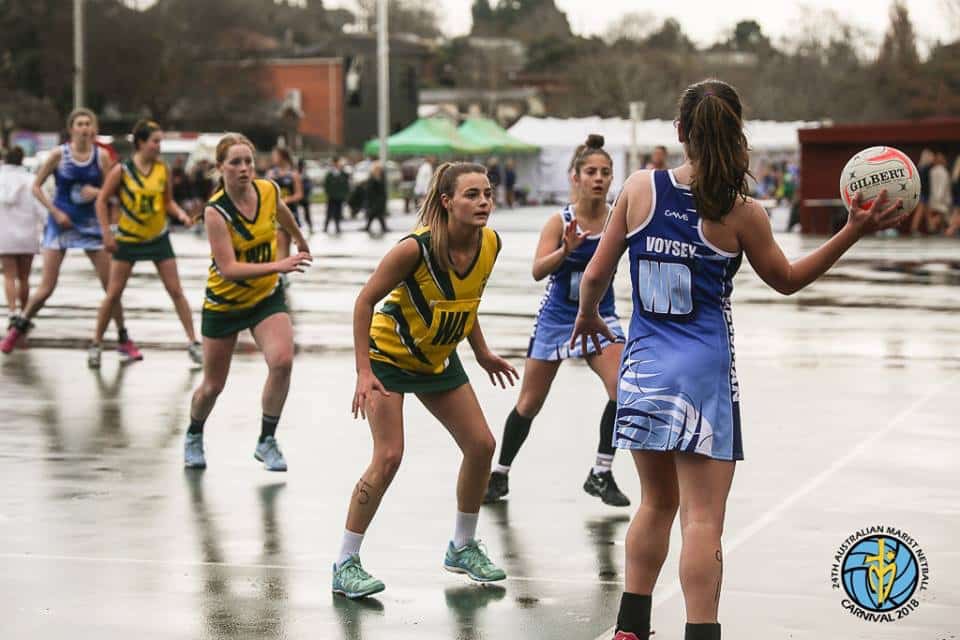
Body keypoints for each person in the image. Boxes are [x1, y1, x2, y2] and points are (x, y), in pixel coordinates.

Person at [570, 79, 906, 640]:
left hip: (645, 369)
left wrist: (586, 317)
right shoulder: (740, 211)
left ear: (680, 132)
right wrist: (851, 230)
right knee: (701, 520)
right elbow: (787, 280)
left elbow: (596, 274)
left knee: (654, 504)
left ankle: (630, 628)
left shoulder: (637, 189)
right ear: (736, 133)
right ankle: (701, 633)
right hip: (703, 376)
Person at [331, 162, 517, 599]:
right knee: (390, 455)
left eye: (487, 193)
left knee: (482, 445)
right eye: (472, 194)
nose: (484, 202)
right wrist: (363, 370)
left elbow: (462, 303)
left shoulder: (490, 243)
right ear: (447, 201)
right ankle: (345, 562)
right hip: (389, 358)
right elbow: (364, 302)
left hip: (437, 358)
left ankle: (462, 546)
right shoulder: (414, 249)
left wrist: (481, 351)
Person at [484, 135, 630, 508]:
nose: (598, 178)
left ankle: (601, 472)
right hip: (558, 318)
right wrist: (565, 250)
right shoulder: (560, 221)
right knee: (530, 402)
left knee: (623, 388)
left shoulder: (618, 220)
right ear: (575, 177)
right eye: (591, 172)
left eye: (605, 172)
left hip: (600, 315)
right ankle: (499, 474)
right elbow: (537, 271)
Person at [183, 133, 312, 472]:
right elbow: (228, 269)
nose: (244, 169)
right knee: (213, 386)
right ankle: (194, 434)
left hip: (265, 297)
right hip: (225, 303)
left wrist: (299, 240)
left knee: (283, 361)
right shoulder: (216, 212)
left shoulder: (267, 190)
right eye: (235, 163)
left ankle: (266, 440)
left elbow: (281, 211)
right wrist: (279, 265)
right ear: (220, 167)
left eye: (248, 162)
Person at [1, 108, 140, 358]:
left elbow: (114, 193)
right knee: (47, 287)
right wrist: (55, 212)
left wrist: (98, 196)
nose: (85, 129)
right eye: (80, 124)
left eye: (89, 124)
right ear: (71, 129)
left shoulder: (101, 157)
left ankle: (123, 337)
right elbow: (35, 187)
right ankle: (17, 328)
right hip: (61, 223)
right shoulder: (59, 155)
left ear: (94, 129)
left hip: (91, 225)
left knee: (111, 288)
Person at [88, 120, 202, 368]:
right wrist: (106, 233)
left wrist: (181, 215)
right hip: (128, 239)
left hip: (158, 238)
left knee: (176, 291)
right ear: (141, 142)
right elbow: (101, 201)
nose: (159, 146)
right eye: (155, 141)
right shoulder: (122, 170)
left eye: (160, 141)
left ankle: (194, 343)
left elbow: (167, 201)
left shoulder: (163, 169)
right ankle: (96, 343)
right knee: (114, 293)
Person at [0, 146, 45, 327]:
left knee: (9, 276)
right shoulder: (31, 180)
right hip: (27, 234)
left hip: (4, 235)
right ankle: (25, 314)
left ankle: (12, 312)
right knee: (24, 277)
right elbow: (41, 208)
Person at [267, 147, 303, 261]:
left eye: (275, 155)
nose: (273, 158)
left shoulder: (293, 174)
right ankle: (280, 271)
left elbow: (299, 194)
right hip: (275, 214)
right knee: (280, 241)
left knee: (286, 243)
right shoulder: (271, 174)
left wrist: (287, 199)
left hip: (290, 212)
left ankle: (284, 272)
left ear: (283, 157)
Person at [324, 156, 350, 235]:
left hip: (339, 196)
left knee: (338, 213)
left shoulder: (343, 173)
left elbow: (346, 185)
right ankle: (326, 227)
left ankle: (337, 227)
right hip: (332, 196)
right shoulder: (330, 174)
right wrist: (329, 194)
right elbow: (326, 185)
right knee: (329, 212)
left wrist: (345, 195)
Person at [363, 162, 388, 234]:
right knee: (375, 215)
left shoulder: (381, 178)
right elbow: (369, 191)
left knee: (377, 215)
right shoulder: (371, 179)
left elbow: (383, 190)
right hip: (373, 201)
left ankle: (369, 227)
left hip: (380, 201)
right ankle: (382, 227)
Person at [297, 158, 314, 234]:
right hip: (298, 197)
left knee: (307, 214)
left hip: (304, 197)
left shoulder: (305, 175)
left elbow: (309, 186)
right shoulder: (296, 174)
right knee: (295, 213)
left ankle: (310, 227)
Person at [946, 156, 960, 237]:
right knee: (956, 215)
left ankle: (951, 229)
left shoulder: (955, 173)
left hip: (956, 197)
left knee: (955, 214)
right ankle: (951, 229)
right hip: (958, 197)